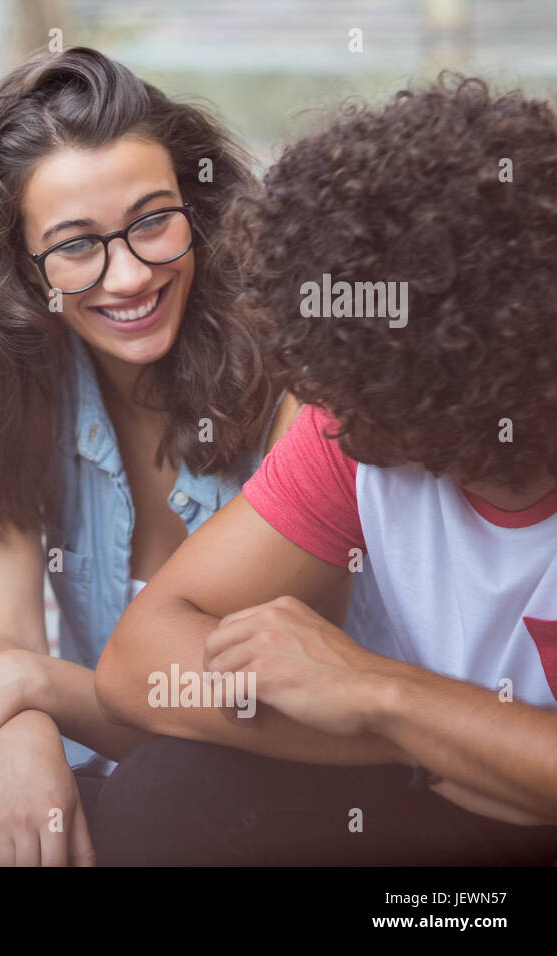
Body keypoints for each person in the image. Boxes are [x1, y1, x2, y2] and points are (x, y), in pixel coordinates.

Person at [0, 47, 380, 866]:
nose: (128, 276)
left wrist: (34, 686)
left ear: (199, 210)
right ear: (22, 270)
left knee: (166, 787)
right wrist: (24, 734)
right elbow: (4, 634)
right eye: (76, 246)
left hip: (306, 780)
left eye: (154, 221)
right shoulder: (12, 392)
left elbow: (245, 705)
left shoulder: (294, 380)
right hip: (129, 771)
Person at [92, 74, 557, 865]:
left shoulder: (385, 410)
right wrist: (432, 741)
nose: (317, 399)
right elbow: (139, 663)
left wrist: (382, 693)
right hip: (460, 800)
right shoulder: (356, 423)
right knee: (171, 792)